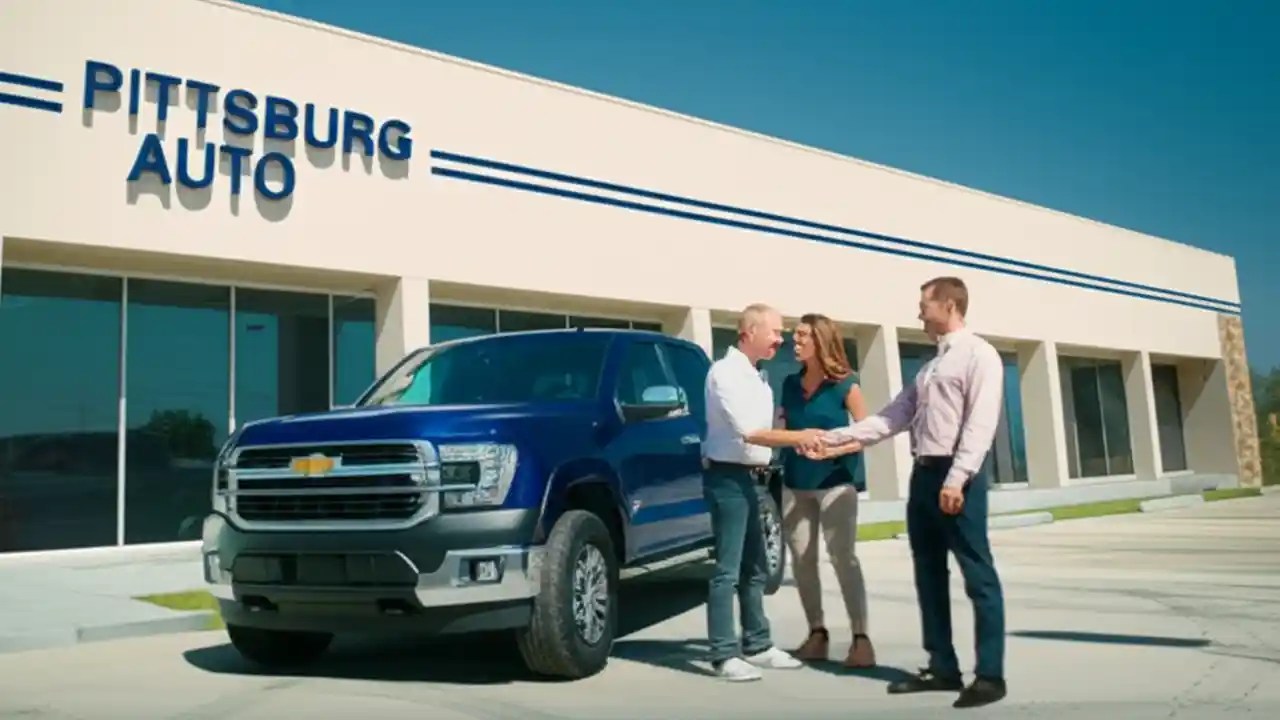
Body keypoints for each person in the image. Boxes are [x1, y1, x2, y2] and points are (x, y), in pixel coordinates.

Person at [800, 276, 1008, 709]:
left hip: (956, 475)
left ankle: (990, 676)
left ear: (949, 305)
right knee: (928, 574)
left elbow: (982, 423)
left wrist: (958, 478)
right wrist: (833, 439)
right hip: (924, 475)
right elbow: (891, 417)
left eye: (924, 305)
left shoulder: (979, 355)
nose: (919, 313)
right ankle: (942, 667)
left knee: (978, 577)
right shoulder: (930, 368)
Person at [701, 302, 812, 682]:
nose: (780, 340)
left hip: (754, 477)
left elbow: (766, 426)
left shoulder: (757, 375)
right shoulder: (725, 373)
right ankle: (722, 654)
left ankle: (758, 644)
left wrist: (790, 428)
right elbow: (749, 431)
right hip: (727, 478)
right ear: (749, 332)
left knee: (756, 567)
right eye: (775, 332)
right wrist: (800, 437)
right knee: (727, 570)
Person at [777, 313, 876, 668]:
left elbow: (867, 433)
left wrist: (832, 448)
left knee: (843, 558)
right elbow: (782, 426)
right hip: (796, 484)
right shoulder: (789, 384)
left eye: (802, 336)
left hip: (835, 484)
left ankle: (861, 639)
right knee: (802, 561)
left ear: (820, 341)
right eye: (795, 336)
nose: (795, 342)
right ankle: (816, 634)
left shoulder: (846, 384)